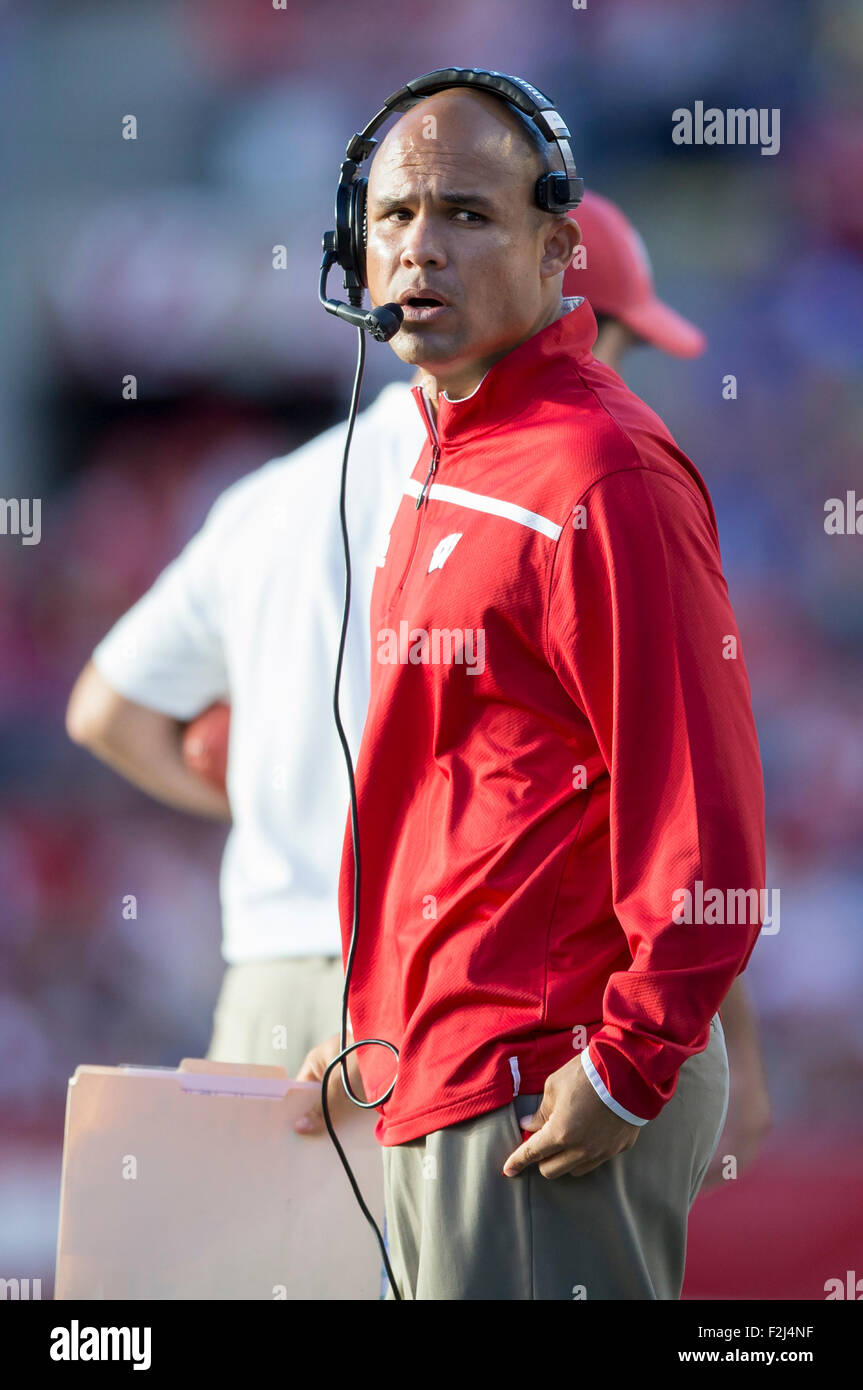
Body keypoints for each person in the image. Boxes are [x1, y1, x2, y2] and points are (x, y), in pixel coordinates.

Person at [295, 77, 766, 1301]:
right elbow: (452, 785)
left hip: (540, 1072)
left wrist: (628, 1059)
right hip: (447, 1054)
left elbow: (700, 807)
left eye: (465, 213)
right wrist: (379, 1014)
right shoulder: (449, 449)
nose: (417, 246)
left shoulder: (597, 472)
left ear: (558, 248)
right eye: (393, 214)